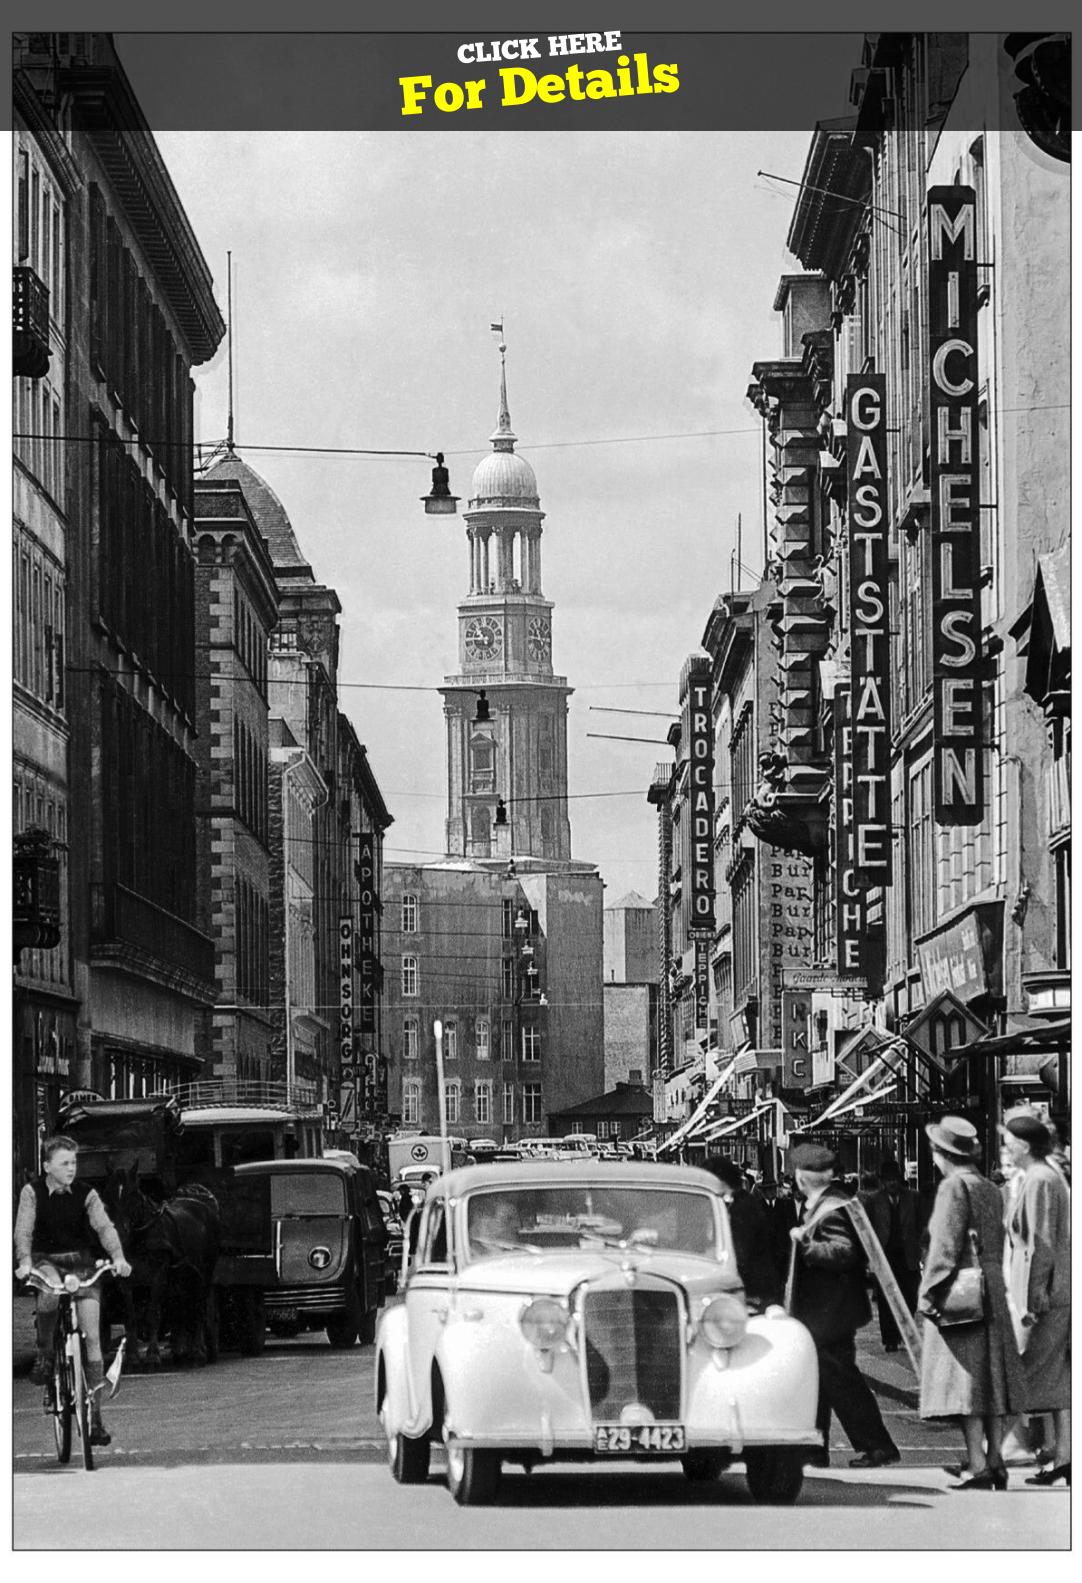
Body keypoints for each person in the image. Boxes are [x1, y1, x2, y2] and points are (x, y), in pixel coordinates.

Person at [918, 1116, 1025, 1491]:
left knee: (965, 1383)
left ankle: (977, 1463)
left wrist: (928, 1292)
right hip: (991, 1287)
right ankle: (996, 1458)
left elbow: (945, 1248)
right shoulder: (989, 1188)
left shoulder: (952, 1187)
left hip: (961, 1292)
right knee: (993, 1381)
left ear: (940, 1154)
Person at [787, 1142, 900, 1469]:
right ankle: (814, 1447)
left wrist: (805, 1244)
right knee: (819, 1382)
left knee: (843, 1383)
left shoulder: (831, 1209)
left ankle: (877, 1445)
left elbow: (844, 1252)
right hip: (827, 1312)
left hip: (830, 1314)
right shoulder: (827, 1202)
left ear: (803, 1178)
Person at [14, 1135, 132, 1447]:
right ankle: (46, 1355)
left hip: (81, 1264)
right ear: (47, 1166)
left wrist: (118, 1258)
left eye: (74, 1162)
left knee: (93, 1335)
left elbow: (105, 1227)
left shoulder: (87, 1194)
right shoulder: (32, 1193)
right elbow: (23, 1231)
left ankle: (95, 1417)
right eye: (64, 1163)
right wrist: (24, 1262)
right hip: (45, 1262)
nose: (71, 1168)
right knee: (50, 1297)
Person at [1001, 1114, 1071, 1487]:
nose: (1005, 1148)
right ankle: (1065, 1456)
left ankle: (992, 1455)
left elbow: (1039, 1245)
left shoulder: (1041, 1180)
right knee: (1056, 1379)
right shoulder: (1039, 1177)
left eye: (1009, 1141)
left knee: (1021, 1373)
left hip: (1045, 1298)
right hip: (1051, 1294)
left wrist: (1030, 1300)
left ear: (1024, 1147)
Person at [702, 1155, 782, 1307]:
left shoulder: (742, 1208)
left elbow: (739, 1253)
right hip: (753, 1289)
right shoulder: (741, 1203)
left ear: (720, 1181)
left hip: (753, 1293)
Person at [866, 1158, 923, 1353]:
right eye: (888, 1180)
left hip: (908, 1256)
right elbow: (870, 1229)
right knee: (886, 1299)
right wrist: (871, 1258)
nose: (892, 1183)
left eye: (895, 1179)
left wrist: (922, 1251)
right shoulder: (874, 1200)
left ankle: (903, 1333)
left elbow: (921, 1225)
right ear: (882, 1181)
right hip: (886, 1256)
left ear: (900, 1179)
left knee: (910, 1298)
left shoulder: (913, 1198)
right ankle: (890, 1338)